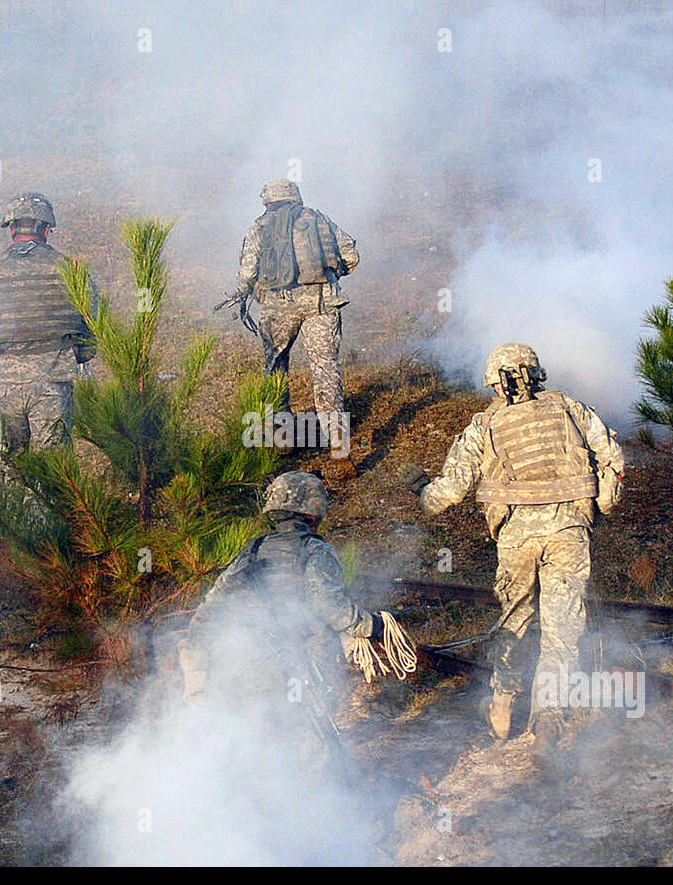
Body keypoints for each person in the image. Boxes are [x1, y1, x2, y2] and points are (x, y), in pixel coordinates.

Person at [401, 344, 625, 764]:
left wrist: (420, 490)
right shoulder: (569, 408)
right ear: (536, 373)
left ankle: (502, 703)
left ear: (493, 381)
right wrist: (604, 502)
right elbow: (611, 457)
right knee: (562, 631)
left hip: (516, 540)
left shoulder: (483, 427)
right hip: (568, 532)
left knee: (513, 621)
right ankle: (549, 721)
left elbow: (445, 494)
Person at [178, 471, 384, 766]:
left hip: (239, 665)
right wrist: (370, 625)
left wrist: (197, 653)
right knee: (310, 752)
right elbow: (329, 605)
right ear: (312, 510)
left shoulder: (253, 549)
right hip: (290, 668)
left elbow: (211, 606)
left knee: (253, 742)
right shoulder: (314, 550)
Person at [0, 192, 95, 451]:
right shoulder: (71, 270)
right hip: (53, 384)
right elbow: (92, 331)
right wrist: (74, 355)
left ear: (11, 229)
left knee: (13, 468)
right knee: (52, 472)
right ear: (46, 229)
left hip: (4, 387)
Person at [233, 180, 358, 446]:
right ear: (295, 197)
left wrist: (248, 291)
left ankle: (282, 440)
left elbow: (246, 273)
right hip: (322, 303)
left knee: (276, 369)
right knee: (325, 370)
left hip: (278, 305)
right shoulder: (317, 219)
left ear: (268, 200)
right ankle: (337, 445)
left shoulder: (260, 227)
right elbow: (351, 255)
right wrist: (333, 274)